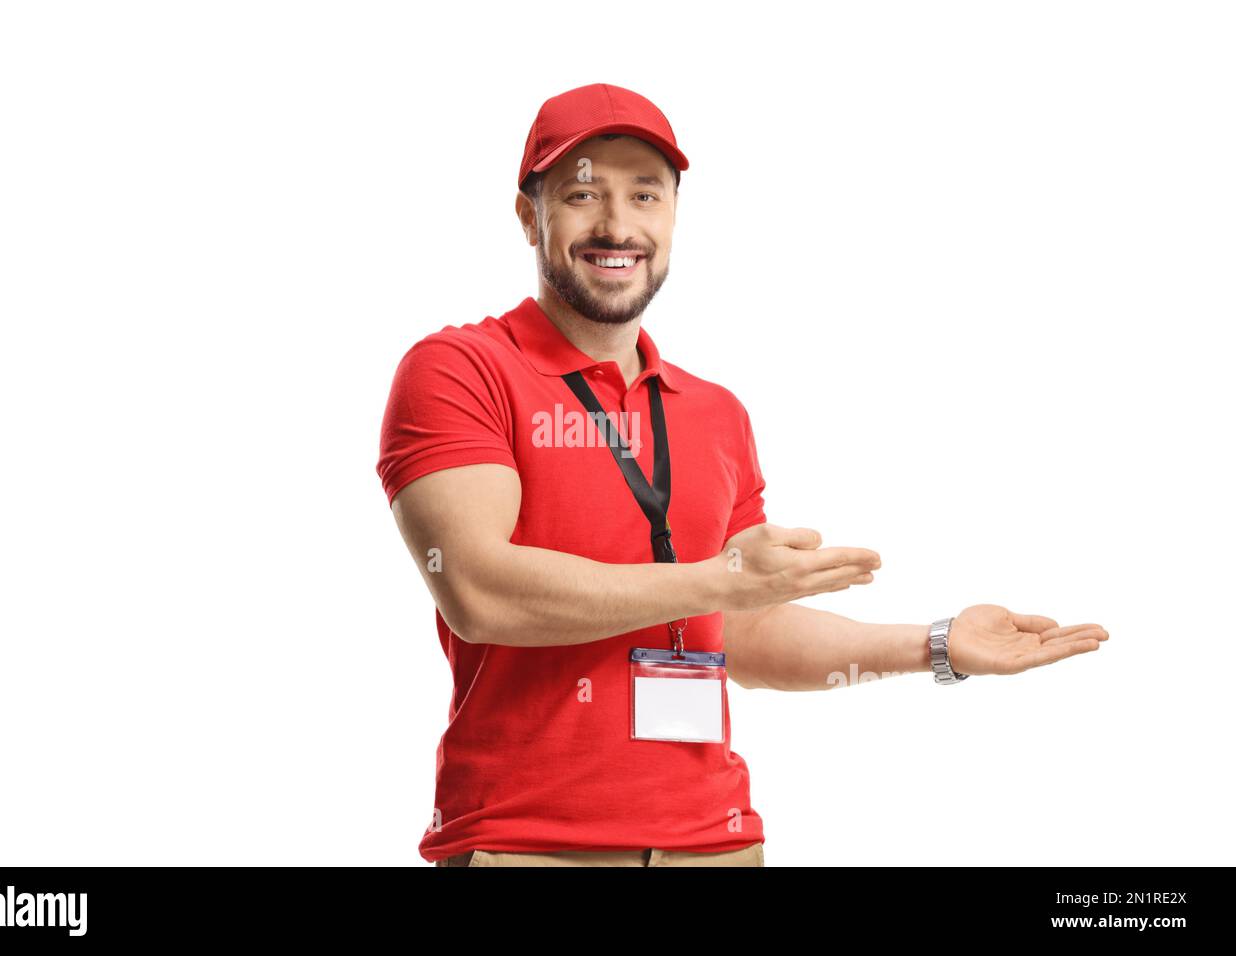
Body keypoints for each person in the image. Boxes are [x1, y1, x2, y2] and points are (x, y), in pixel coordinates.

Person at [376, 83, 1109, 868]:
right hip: (529, 847)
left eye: (645, 195)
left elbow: (746, 636)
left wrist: (935, 646)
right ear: (529, 216)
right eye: (583, 194)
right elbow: (481, 591)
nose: (617, 226)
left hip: (719, 845)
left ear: (673, 215)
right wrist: (719, 580)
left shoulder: (714, 412)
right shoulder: (460, 370)